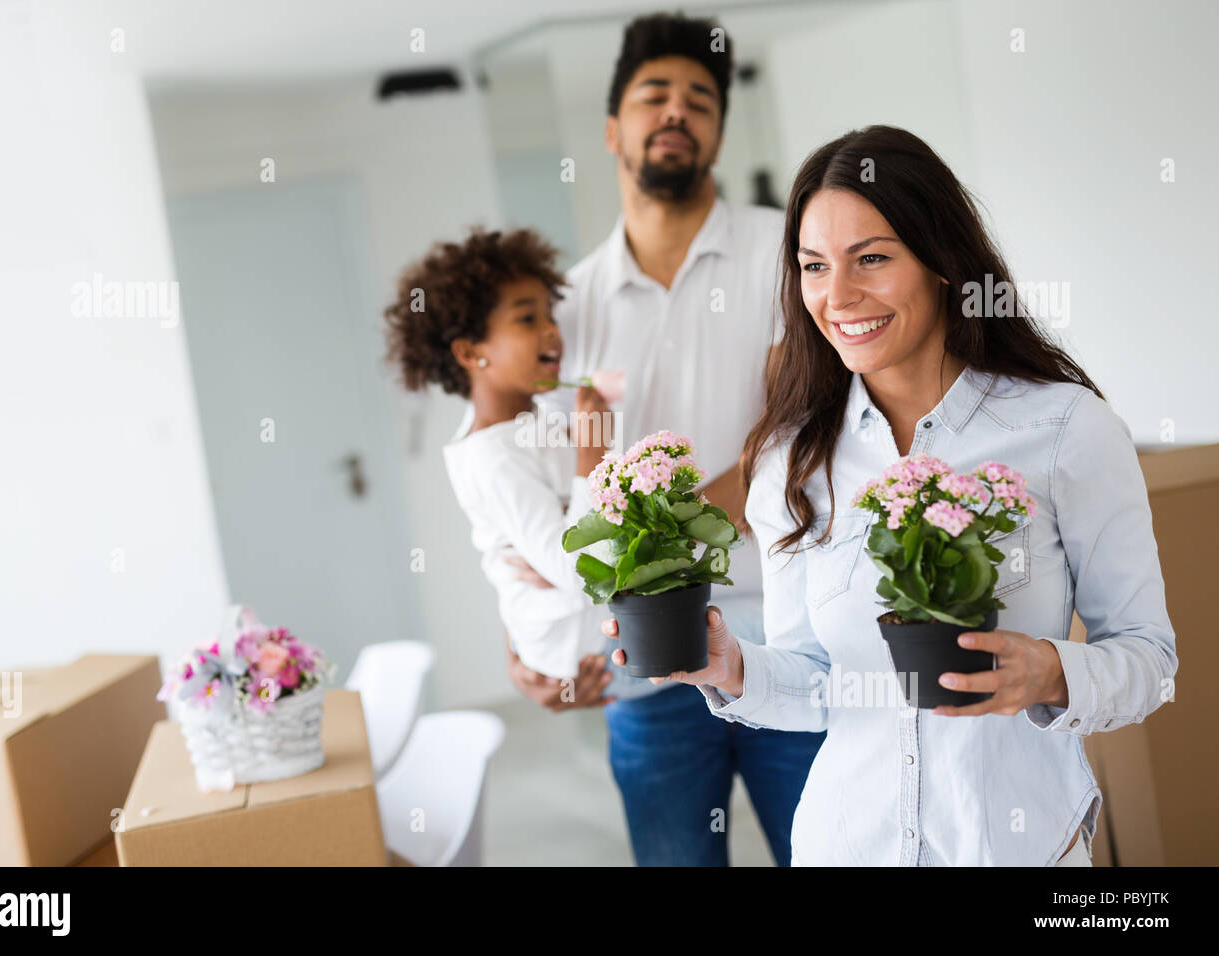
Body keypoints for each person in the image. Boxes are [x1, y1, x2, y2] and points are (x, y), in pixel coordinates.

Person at [605, 125, 1178, 866]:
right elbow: (815, 686)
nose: (837, 296)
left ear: (942, 261)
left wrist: (1050, 671)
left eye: (871, 259)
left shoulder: (1065, 428)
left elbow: (1150, 662)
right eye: (814, 266)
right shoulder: (790, 458)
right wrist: (729, 666)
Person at [507, 12, 825, 866]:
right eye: (655, 96)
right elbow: (541, 490)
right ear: (613, 129)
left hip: (786, 640)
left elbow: (796, 437)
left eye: (700, 100)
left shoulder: (786, 254)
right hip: (642, 660)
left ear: (720, 130)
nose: (677, 112)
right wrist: (529, 634)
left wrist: (657, 536)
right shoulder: (565, 309)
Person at [383, 227, 614, 683]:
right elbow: (580, 571)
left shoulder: (534, 421)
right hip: (583, 654)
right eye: (527, 320)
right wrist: (592, 452)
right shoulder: (493, 455)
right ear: (470, 352)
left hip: (597, 633)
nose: (552, 330)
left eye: (549, 313)